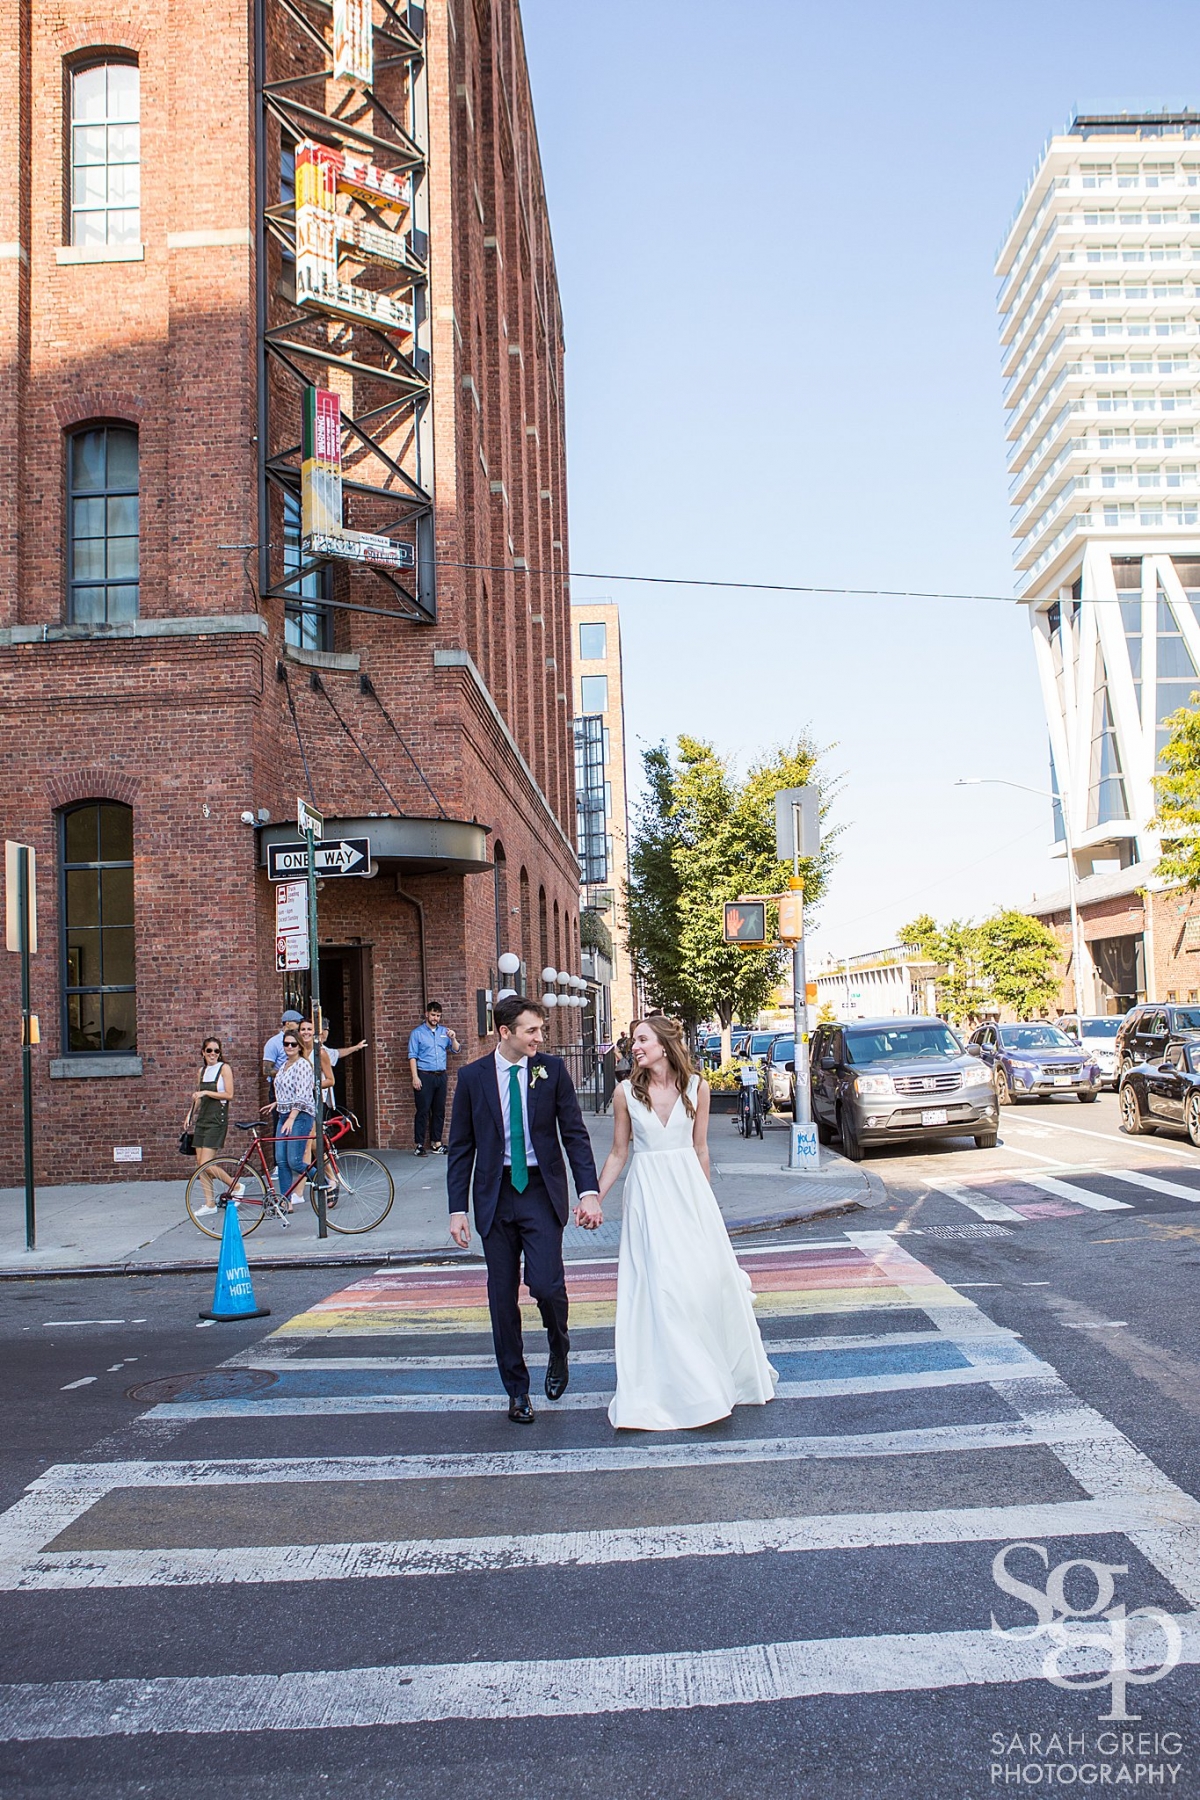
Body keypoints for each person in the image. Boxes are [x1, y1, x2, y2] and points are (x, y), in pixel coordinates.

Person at [596, 1015, 778, 1432]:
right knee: (661, 1290)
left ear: (663, 1043)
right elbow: (619, 1154)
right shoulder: (625, 1092)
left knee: (697, 1288)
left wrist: (706, 1206)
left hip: (689, 1196)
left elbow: (700, 1151)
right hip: (647, 1198)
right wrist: (594, 1195)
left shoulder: (698, 1088)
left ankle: (710, 1376)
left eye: (642, 1039)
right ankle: (673, 1388)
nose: (634, 1046)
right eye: (634, 1041)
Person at [446, 996, 601, 1423]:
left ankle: (559, 1347)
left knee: (547, 1286)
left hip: (539, 1190)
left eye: (541, 1029)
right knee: (501, 1297)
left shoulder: (552, 1071)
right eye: (532, 1030)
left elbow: (574, 1134)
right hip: (494, 1196)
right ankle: (517, 1390)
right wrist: (456, 1209)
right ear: (505, 1032)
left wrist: (588, 1190)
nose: (540, 1037)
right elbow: (461, 1148)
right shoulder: (473, 1077)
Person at [187, 1036, 234, 1216]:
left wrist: (206, 1091)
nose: (213, 1054)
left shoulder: (224, 1069)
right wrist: (190, 1114)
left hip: (217, 1119)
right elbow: (199, 1098)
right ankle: (209, 1203)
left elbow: (229, 1094)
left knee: (207, 1163)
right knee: (200, 1163)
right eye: (209, 1051)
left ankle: (235, 1186)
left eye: (216, 1051)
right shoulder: (202, 1071)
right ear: (203, 1052)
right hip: (203, 1119)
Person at [271, 1029, 315, 1212]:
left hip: (300, 1115)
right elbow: (287, 1090)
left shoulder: (303, 1065)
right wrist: (276, 1103)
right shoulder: (284, 1066)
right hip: (284, 1114)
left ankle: (324, 1181)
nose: (289, 1047)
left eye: (293, 1044)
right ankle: (285, 1200)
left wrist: (291, 1117)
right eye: (286, 1044)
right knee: (281, 1161)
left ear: (299, 1046)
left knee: (294, 1161)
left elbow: (303, 1094)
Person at [408, 1001, 459, 1156]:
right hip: (424, 1075)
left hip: (440, 1076)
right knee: (422, 1110)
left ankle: (436, 1143)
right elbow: (412, 1057)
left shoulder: (445, 1032)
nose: (435, 1018)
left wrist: (453, 1038)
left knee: (439, 1111)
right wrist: (415, 1077)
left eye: (438, 1015)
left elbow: (456, 1049)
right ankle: (419, 1145)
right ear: (427, 1014)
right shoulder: (417, 1033)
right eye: (433, 1015)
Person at [320, 1022, 367, 1111]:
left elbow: (337, 1053)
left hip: (322, 1095)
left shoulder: (324, 1049)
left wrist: (356, 1047)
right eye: (327, 1029)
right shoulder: (314, 1049)